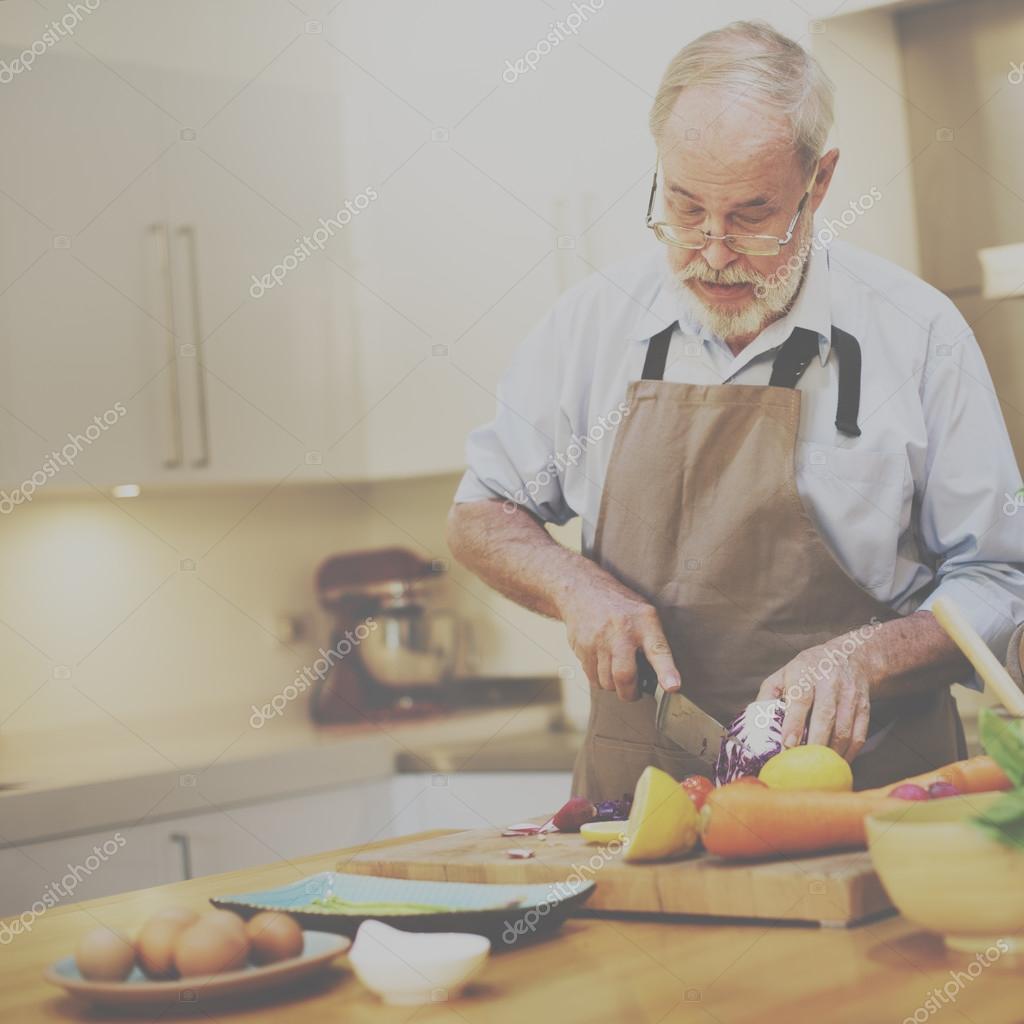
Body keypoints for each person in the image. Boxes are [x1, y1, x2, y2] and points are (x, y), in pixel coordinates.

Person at [447, 21, 1024, 799]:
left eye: (752, 216)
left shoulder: (917, 336)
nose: (712, 251)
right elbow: (483, 513)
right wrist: (577, 588)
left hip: (877, 806)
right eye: (685, 209)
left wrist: (871, 656)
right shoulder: (591, 326)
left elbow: (1001, 574)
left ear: (819, 184)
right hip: (640, 807)